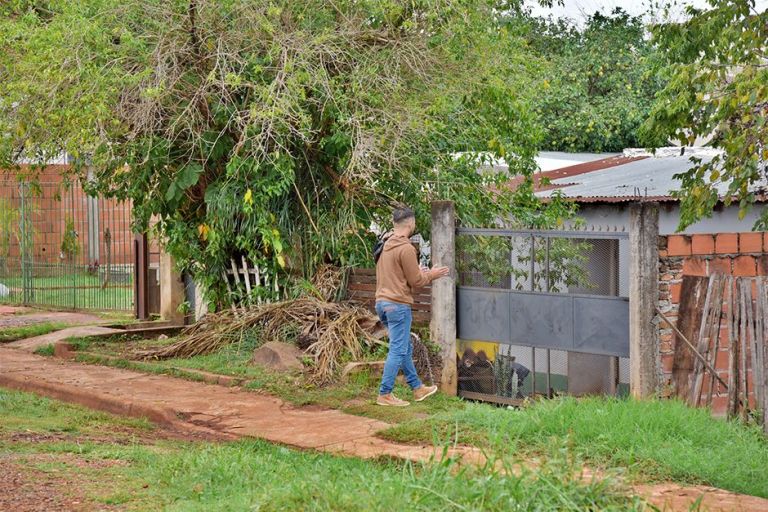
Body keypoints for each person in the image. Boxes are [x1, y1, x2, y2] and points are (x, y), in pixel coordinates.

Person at [375, 206, 450, 406]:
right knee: (398, 349)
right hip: (397, 305)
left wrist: (419, 272)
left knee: (404, 347)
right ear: (411, 223)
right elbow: (417, 282)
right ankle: (385, 393)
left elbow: (402, 275)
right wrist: (431, 274)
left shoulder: (386, 244)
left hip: (382, 303)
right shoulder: (406, 248)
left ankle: (417, 388)